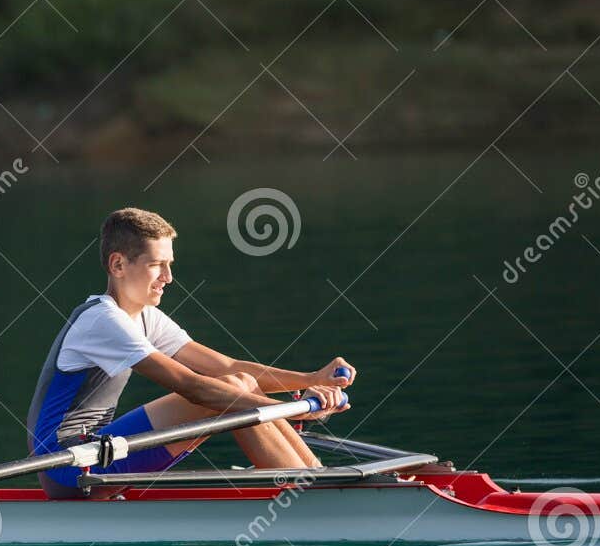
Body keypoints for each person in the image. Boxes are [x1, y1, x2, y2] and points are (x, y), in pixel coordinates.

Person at [26, 207, 354, 499]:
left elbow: (227, 365)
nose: (168, 278)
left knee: (235, 380)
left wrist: (313, 379)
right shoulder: (101, 319)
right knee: (226, 393)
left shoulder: (143, 316)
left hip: (100, 448)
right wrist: (290, 411)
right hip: (67, 466)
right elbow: (194, 388)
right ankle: (310, 497)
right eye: (157, 265)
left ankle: (314, 476)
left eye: (169, 265)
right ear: (118, 264)